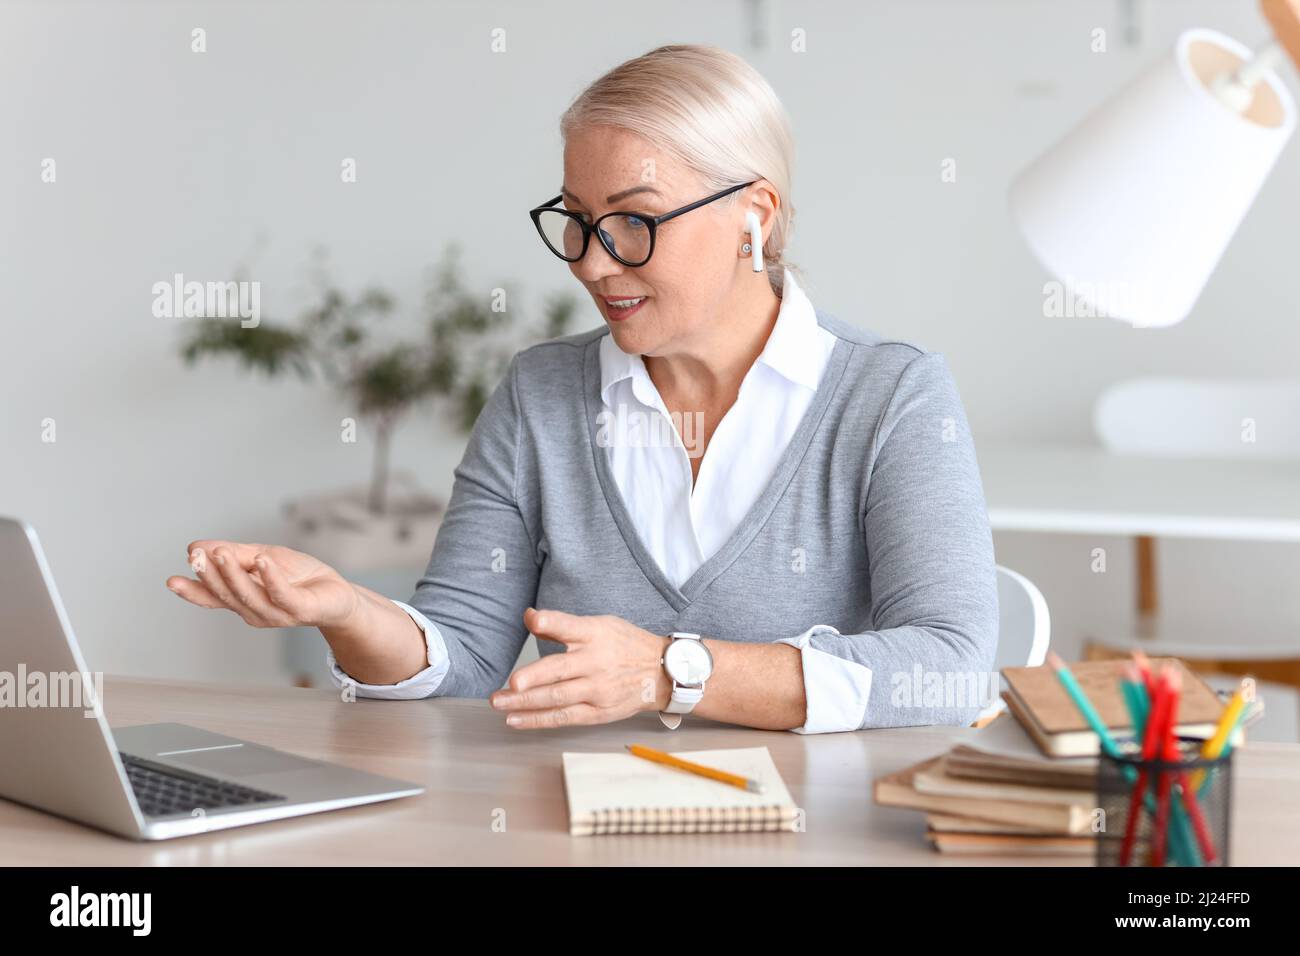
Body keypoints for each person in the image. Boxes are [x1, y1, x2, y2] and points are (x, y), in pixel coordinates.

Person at [167, 44, 998, 734]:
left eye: (634, 222)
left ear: (757, 215)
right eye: (578, 220)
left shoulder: (891, 394)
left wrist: (671, 672)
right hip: (570, 832)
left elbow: (951, 669)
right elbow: (465, 659)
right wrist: (347, 611)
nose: (594, 262)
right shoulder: (543, 396)